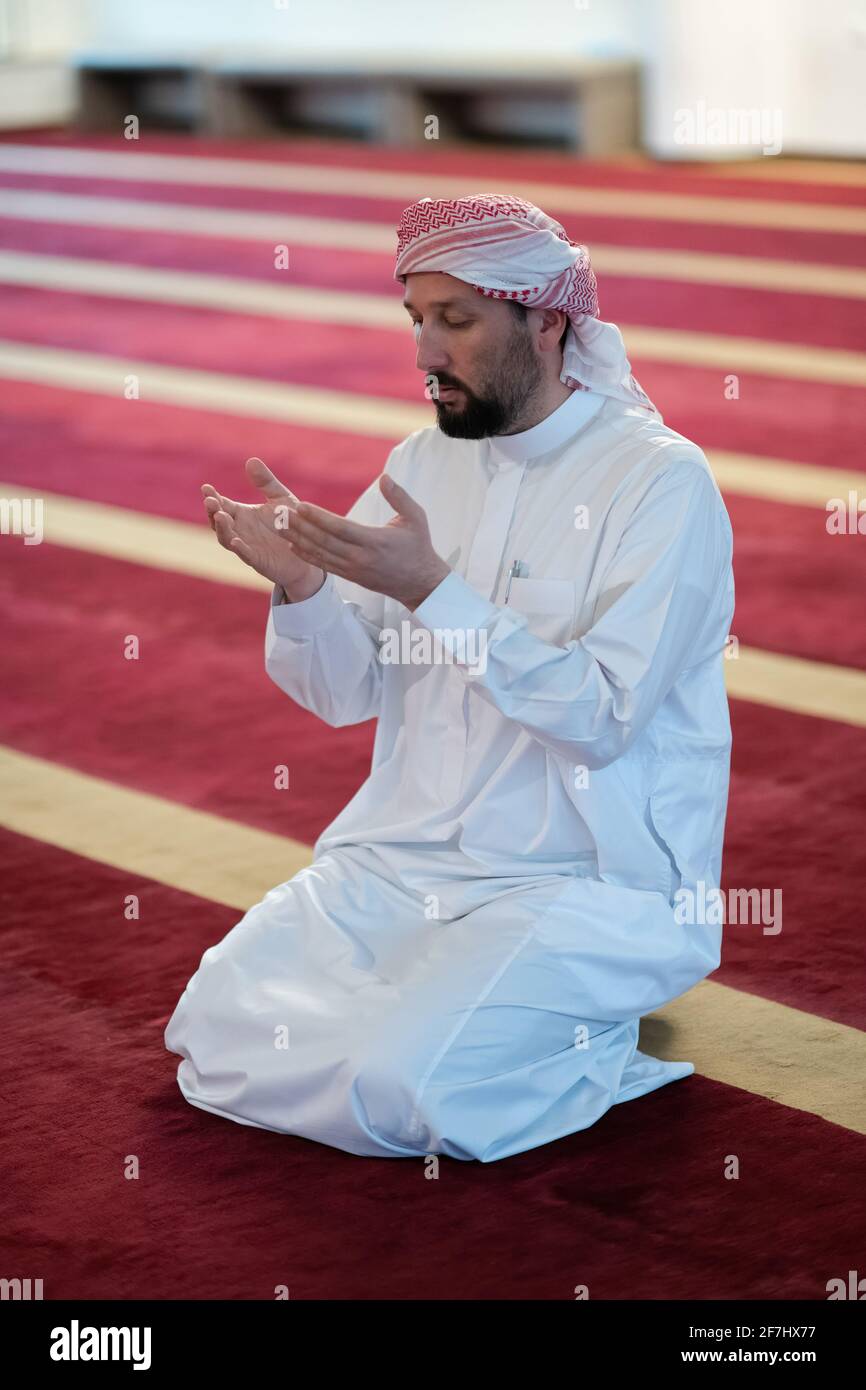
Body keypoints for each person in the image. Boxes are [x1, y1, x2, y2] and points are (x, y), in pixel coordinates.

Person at [164, 194, 735, 1163]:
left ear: (545, 320)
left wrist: (434, 592)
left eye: (456, 322)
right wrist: (303, 586)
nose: (425, 354)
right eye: (416, 322)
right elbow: (345, 696)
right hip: (398, 861)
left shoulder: (657, 484)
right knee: (208, 1033)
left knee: (401, 1089)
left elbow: (598, 720)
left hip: (580, 880)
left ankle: (589, 1038)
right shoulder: (422, 463)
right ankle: (475, 1012)